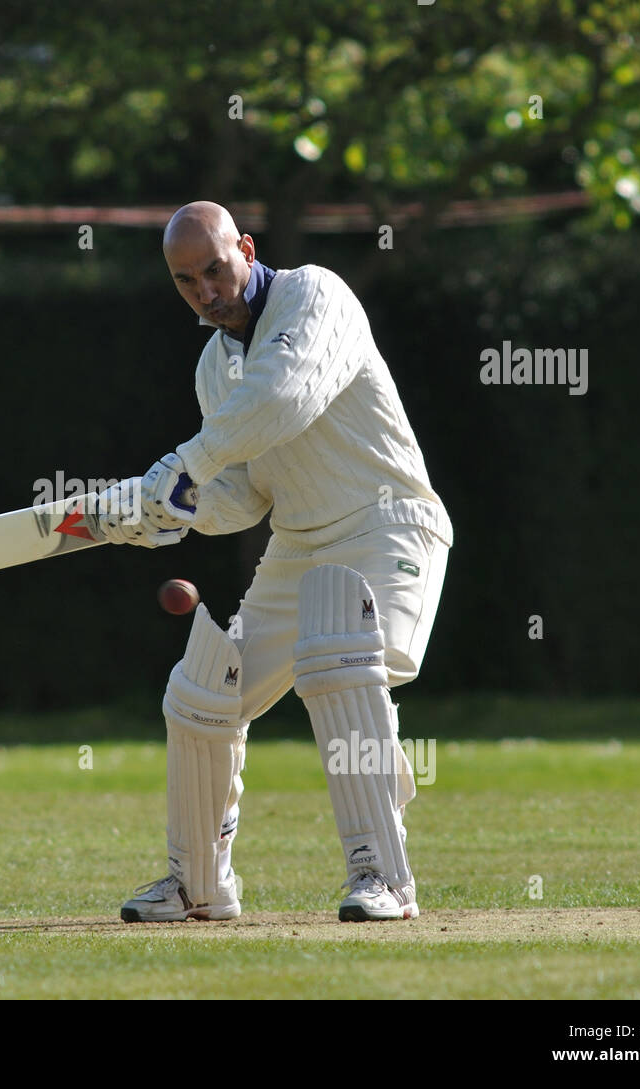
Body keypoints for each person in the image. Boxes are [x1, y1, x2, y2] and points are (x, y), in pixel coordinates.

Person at [95, 201, 453, 922]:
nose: (205, 291)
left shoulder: (316, 296)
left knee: (337, 653)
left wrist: (184, 462)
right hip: (298, 541)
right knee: (203, 691)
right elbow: (242, 494)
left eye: (216, 270)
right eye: (186, 281)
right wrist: (169, 514)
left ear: (247, 250)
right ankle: (197, 882)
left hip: (388, 523)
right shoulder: (213, 366)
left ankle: (382, 874)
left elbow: (285, 397)